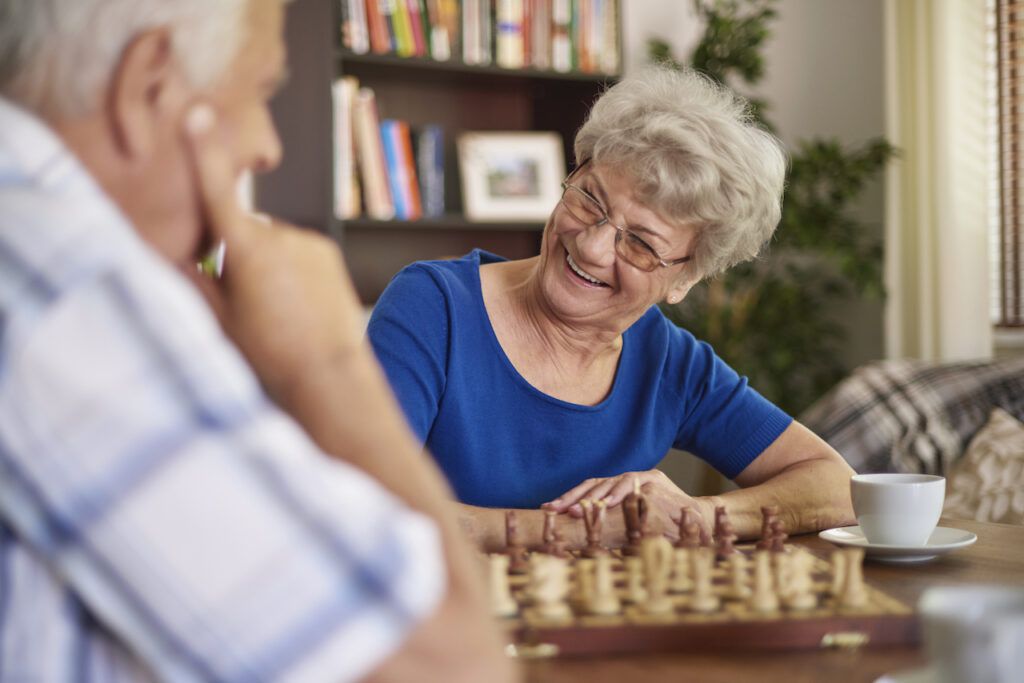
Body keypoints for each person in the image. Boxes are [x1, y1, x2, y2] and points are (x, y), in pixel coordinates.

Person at [0, 1, 514, 681]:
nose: (267, 146)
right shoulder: (76, 293)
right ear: (149, 83)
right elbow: (454, 665)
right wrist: (326, 358)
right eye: (260, 91)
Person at [368, 66, 857, 552]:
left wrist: (694, 515)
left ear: (684, 279)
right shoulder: (434, 308)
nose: (594, 246)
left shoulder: (669, 364)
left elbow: (838, 487)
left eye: (641, 244)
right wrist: (584, 531)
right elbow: (364, 507)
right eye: (589, 201)